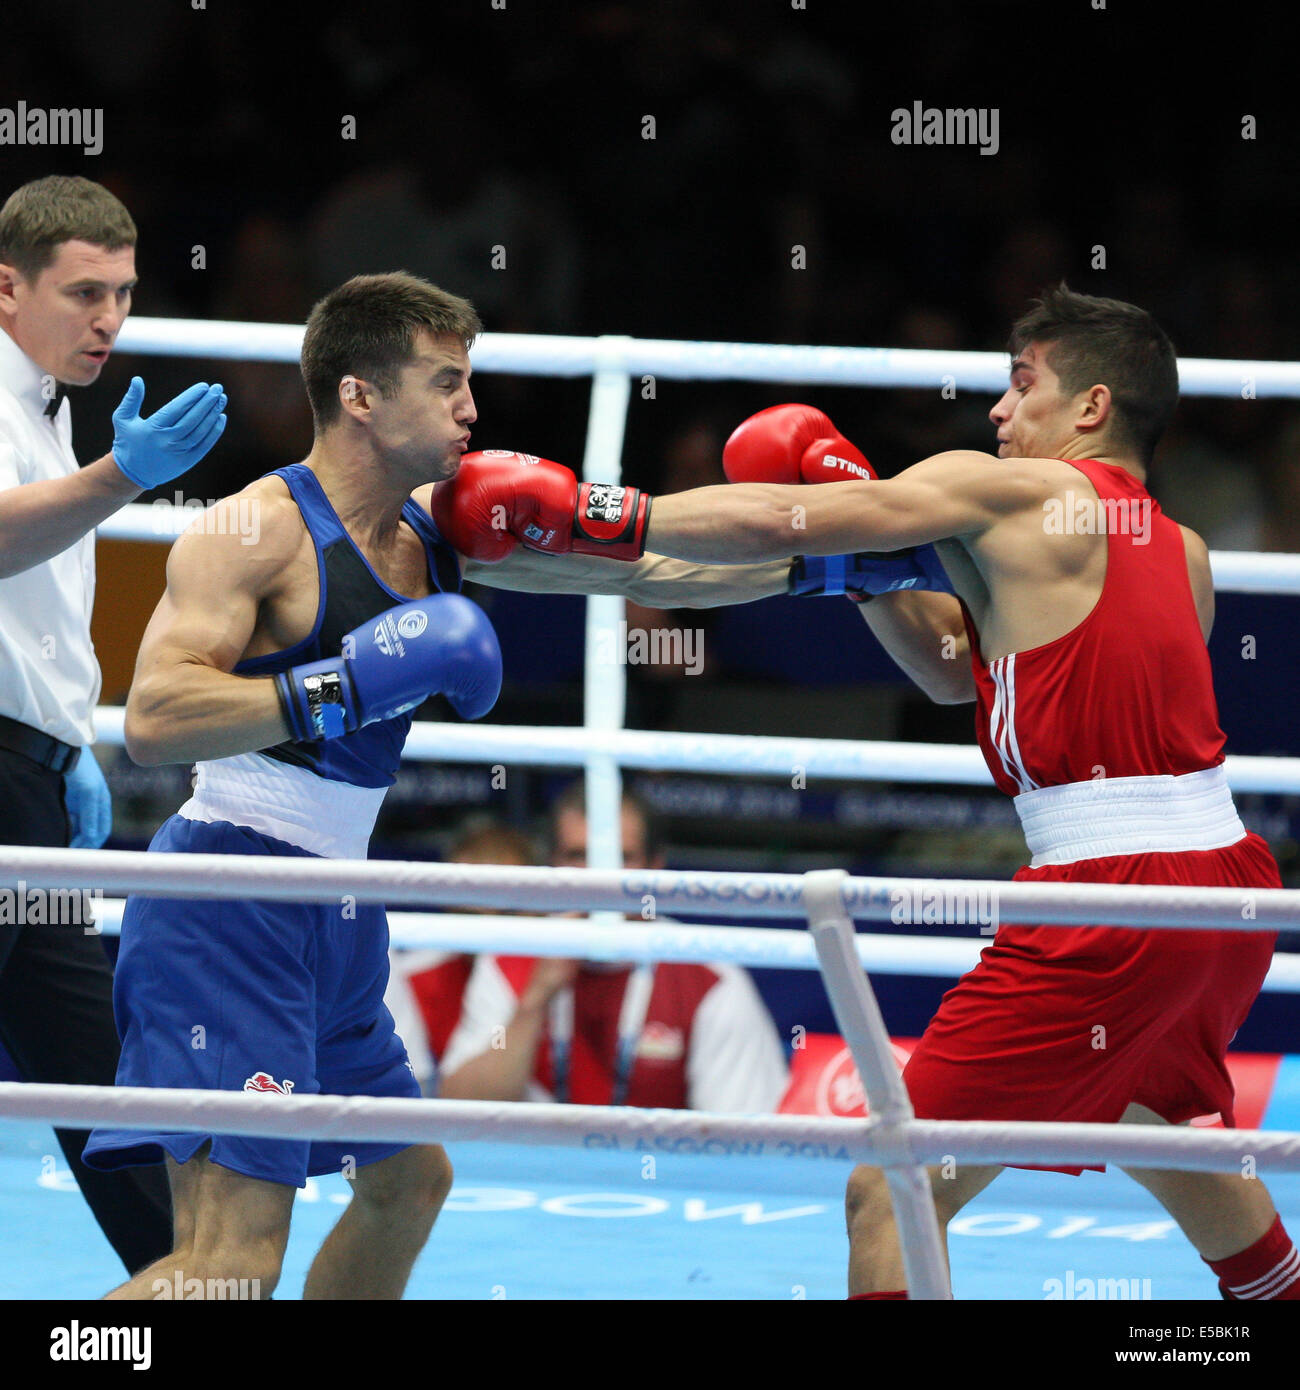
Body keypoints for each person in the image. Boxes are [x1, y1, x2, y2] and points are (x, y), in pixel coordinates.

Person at [432, 284, 1296, 1301]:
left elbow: (780, 519)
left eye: (1021, 386)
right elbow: (946, 667)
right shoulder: (1182, 555)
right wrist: (861, 569)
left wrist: (599, 514)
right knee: (1169, 1135)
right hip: (1223, 895)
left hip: (1110, 901)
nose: (997, 412)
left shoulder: (1016, 495)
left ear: (1092, 407)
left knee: (891, 1184)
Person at [84, 270, 790, 1300]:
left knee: (409, 1182)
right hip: (229, 898)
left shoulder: (444, 531)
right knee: (229, 1270)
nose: (471, 407)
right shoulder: (258, 528)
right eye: (445, 381)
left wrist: (838, 559)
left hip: (334, 903)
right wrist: (338, 687)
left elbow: (649, 570)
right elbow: (152, 718)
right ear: (360, 393)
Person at [0, 174, 227, 1276]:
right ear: (8, 287)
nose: (110, 320)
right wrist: (118, 477)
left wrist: (68, 738)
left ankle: (188, 1290)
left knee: (90, 1063)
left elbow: (30, 615)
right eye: (85, 292)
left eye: (125, 294)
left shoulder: (49, 402)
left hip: (28, 773)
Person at [439, 785, 788, 1112]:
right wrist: (534, 1001)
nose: (599, 877)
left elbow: (742, 1147)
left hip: (657, 1176)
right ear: (553, 866)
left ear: (655, 868)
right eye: (579, 856)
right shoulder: (508, 960)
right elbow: (460, 1110)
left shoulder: (707, 979)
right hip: (535, 1176)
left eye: (621, 857)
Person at [384, 819, 538, 1094]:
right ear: (450, 907)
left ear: (535, 908)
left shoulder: (558, 971)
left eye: (506, 914)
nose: (489, 933)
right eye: (472, 916)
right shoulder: (412, 978)